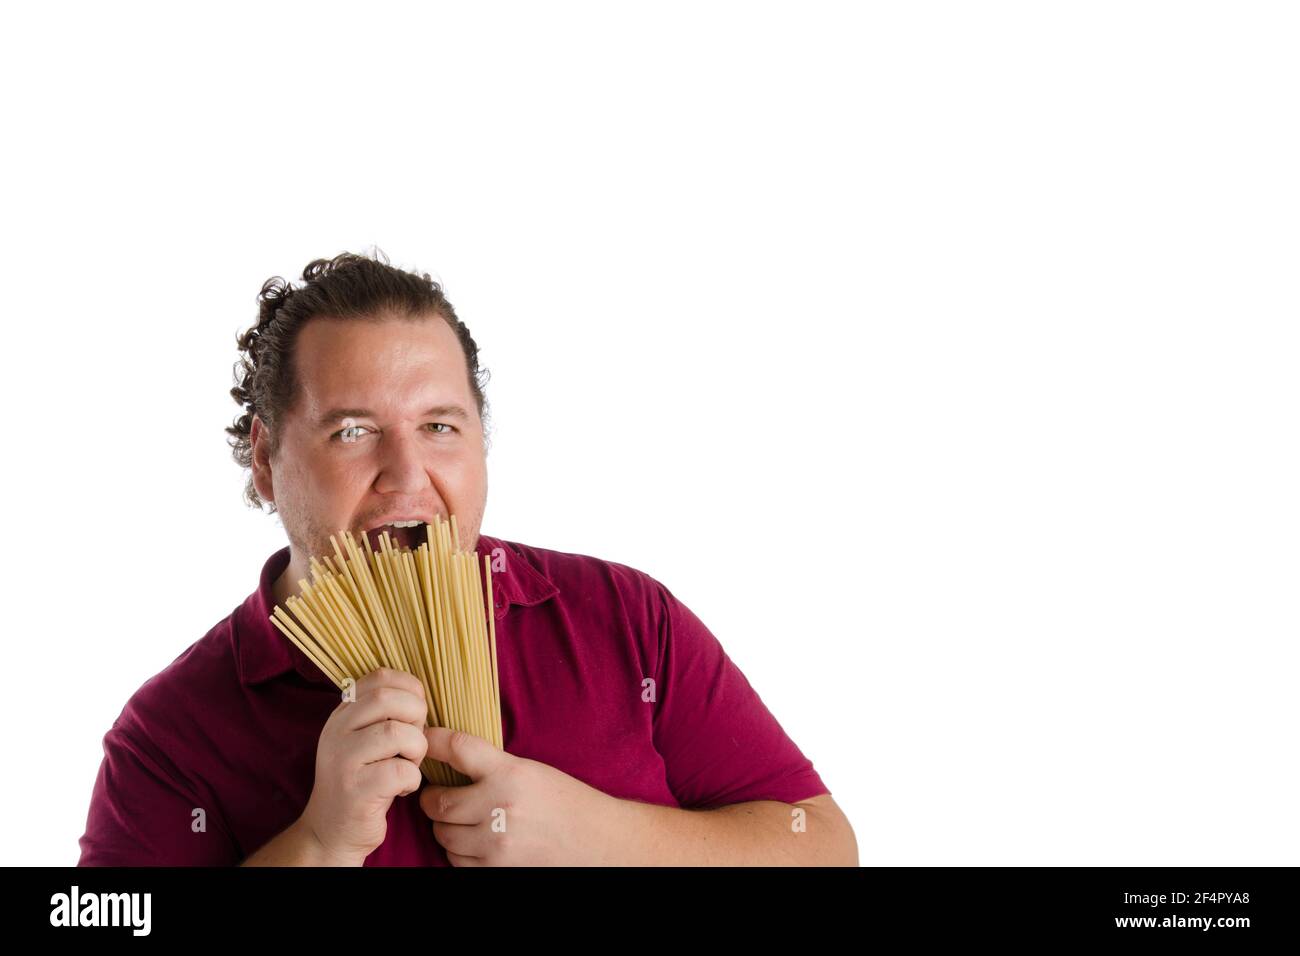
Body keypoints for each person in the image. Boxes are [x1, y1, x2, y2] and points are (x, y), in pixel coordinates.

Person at [77, 251, 858, 866]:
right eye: (352, 431)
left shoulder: (627, 618)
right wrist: (316, 846)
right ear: (264, 456)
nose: (408, 477)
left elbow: (821, 847)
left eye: (441, 427)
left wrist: (607, 841)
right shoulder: (167, 736)